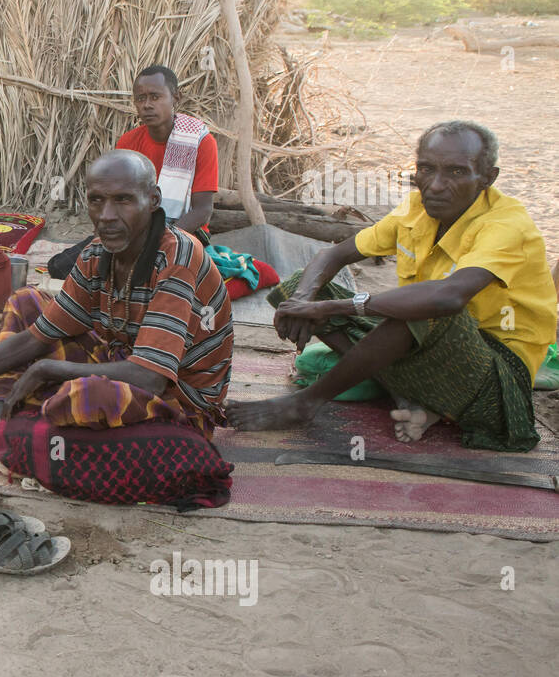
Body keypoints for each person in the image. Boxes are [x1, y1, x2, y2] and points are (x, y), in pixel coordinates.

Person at [0, 150, 234, 502]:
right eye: (96, 201)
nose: (106, 216)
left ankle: (20, 427)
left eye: (123, 201)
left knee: (90, 396)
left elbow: (151, 377)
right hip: (122, 357)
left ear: (153, 201)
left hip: (179, 399)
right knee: (26, 302)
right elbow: (39, 336)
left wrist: (49, 370)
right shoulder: (96, 254)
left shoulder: (178, 256)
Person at [228, 121, 557, 451]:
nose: (436, 185)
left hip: (495, 377)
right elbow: (334, 254)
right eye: (426, 169)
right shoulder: (417, 209)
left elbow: (448, 298)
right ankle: (405, 396)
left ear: (488, 178)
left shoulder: (507, 225)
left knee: (421, 307)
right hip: (428, 347)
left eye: (456, 172)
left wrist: (334, 307)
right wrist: (301, 301)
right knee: (301, 283)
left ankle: (306, 403)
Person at [49, 64, 218, 277]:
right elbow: (116, 201)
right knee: (60, 267)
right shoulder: (128, 142)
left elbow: (202, 210)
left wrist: (159, 239)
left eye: (155, 97)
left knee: (147, 275)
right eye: (140, 98)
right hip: (133, 229)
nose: (147, 105)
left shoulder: (200, 142)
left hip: (183, 232)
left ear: (176, 98)